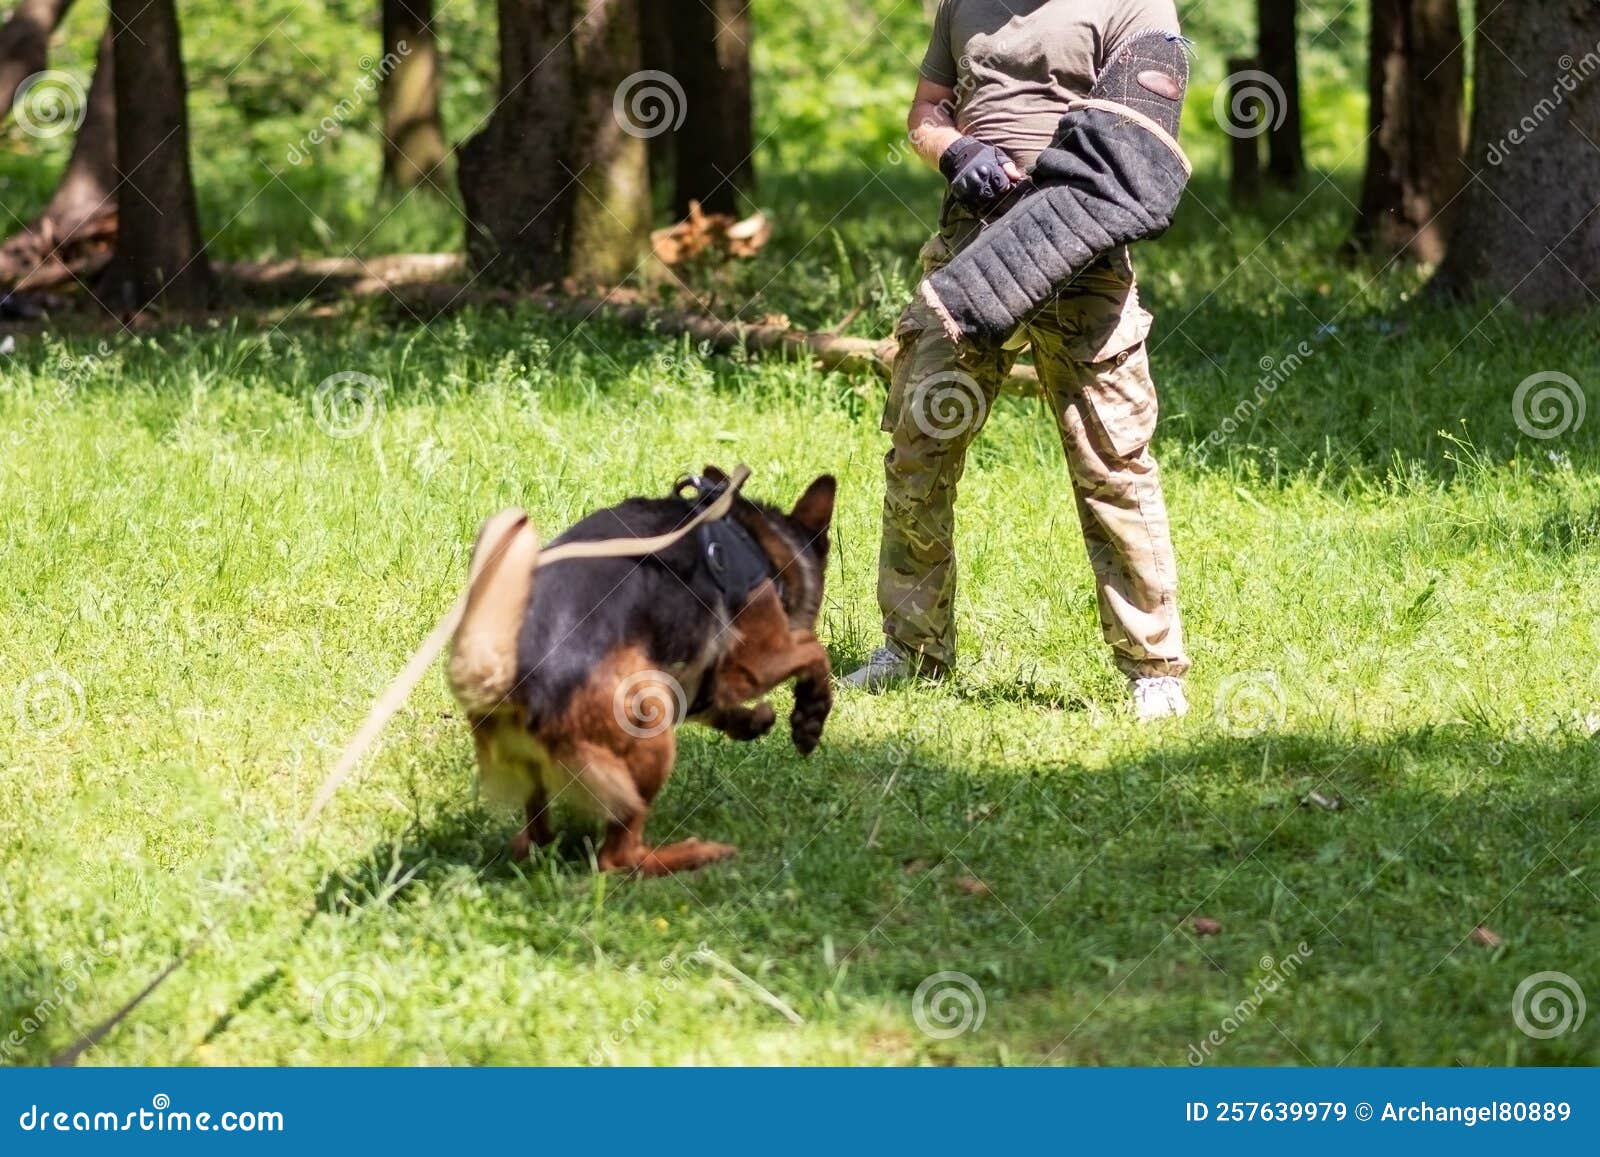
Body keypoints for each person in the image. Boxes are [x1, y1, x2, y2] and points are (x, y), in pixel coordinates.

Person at [844, 0, 1191, 721]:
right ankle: (912, 650)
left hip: (1083, 253)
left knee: (1113, 462)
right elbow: (927, 111)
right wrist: (954, 152)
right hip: (969, 250)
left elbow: (1140, 145)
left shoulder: (1133, 3)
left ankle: (1154, 669)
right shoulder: (961, 3)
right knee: (918, 446)